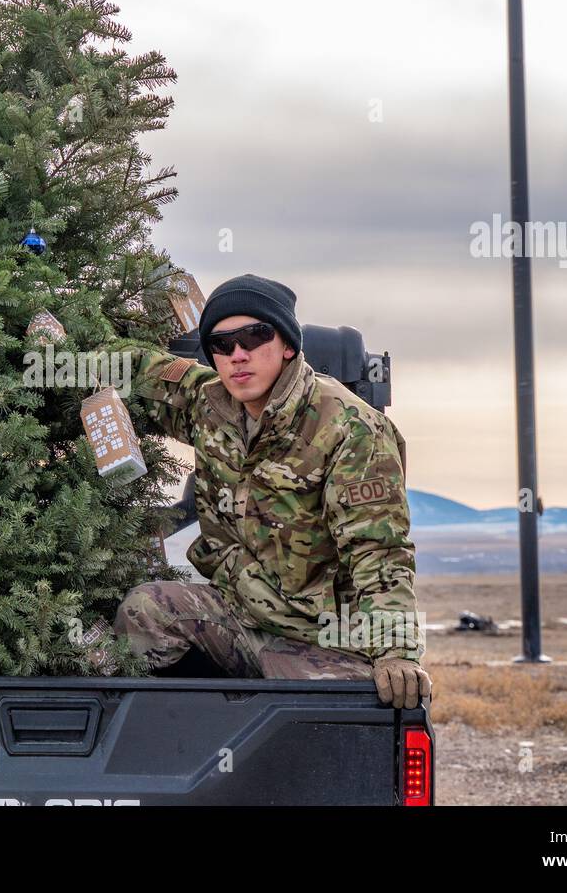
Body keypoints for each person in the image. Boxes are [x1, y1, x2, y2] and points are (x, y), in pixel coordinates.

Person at [113, 274, 432, 709]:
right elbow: (137, 370)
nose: (238, 355)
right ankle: (187, 731)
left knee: (332, 723)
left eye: (254, 336)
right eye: (222, 345)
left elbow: (378, 551)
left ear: (288, 345)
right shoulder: (208, 403)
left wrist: (396, 652)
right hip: (239, 617)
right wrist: (50, 343)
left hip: (320, 638)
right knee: (145, 610)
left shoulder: (348, 428)